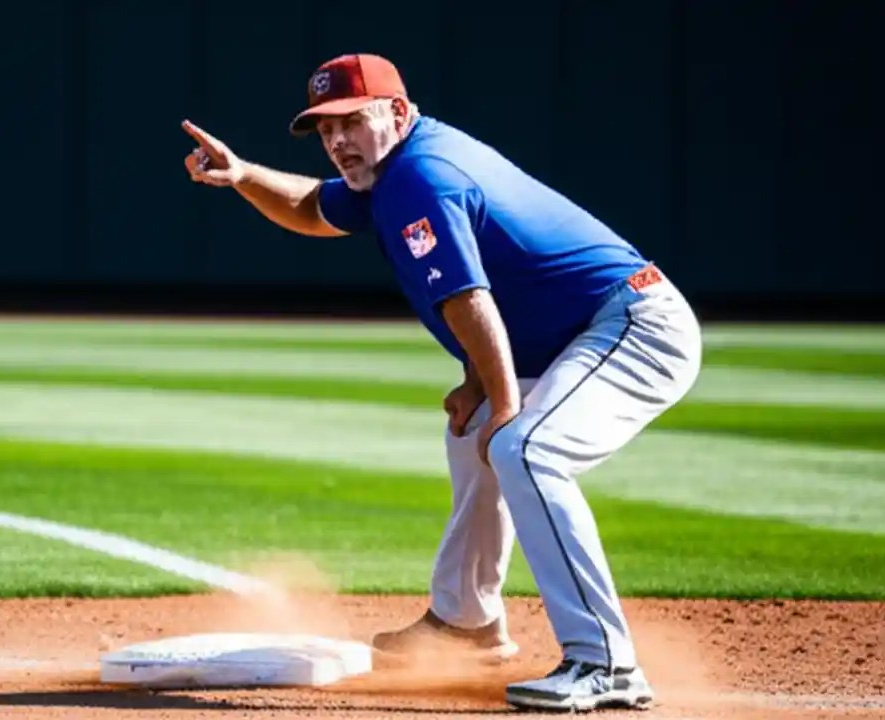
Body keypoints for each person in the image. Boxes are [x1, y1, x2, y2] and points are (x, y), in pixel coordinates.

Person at [181, 53, 702, 713]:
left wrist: (503, 398)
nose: (336, 141)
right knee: (477, 435)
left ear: (397, 112)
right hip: (579, 330)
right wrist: (244, 175)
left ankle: (606, 664)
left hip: (634, 324)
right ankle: (468, 624)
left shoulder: (420, 177)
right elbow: (314, 208)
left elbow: (469, 296)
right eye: (323, 129)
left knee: (523, 447)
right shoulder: (393, 171)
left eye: (350, 121)